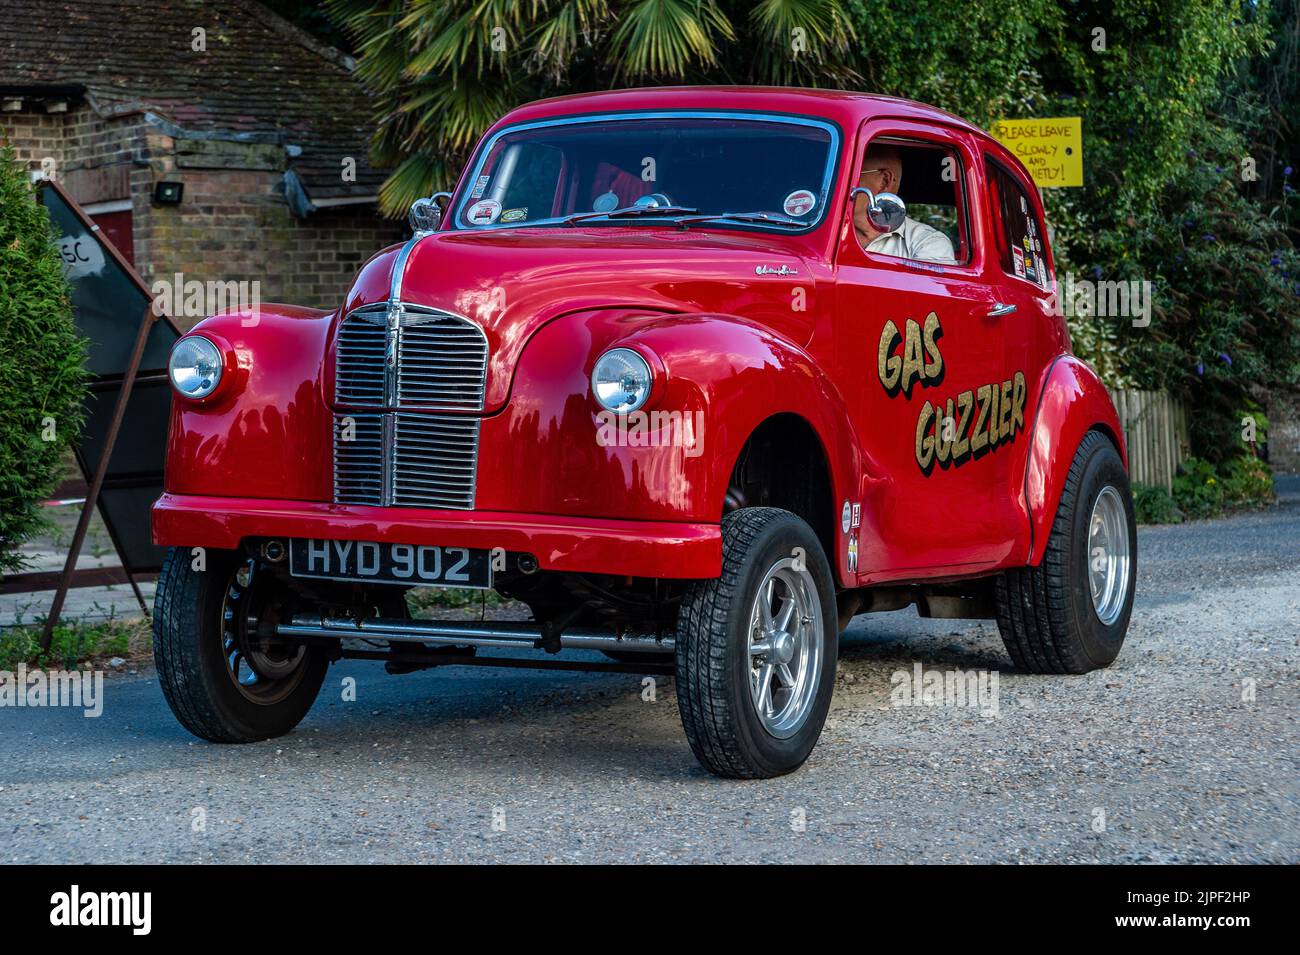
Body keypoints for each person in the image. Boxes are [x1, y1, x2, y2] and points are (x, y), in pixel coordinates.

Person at [854, 145, 956, 264]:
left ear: (884, 182)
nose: (834, 182)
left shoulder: (928, 243)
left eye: (850, 172)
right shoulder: (829, 231)